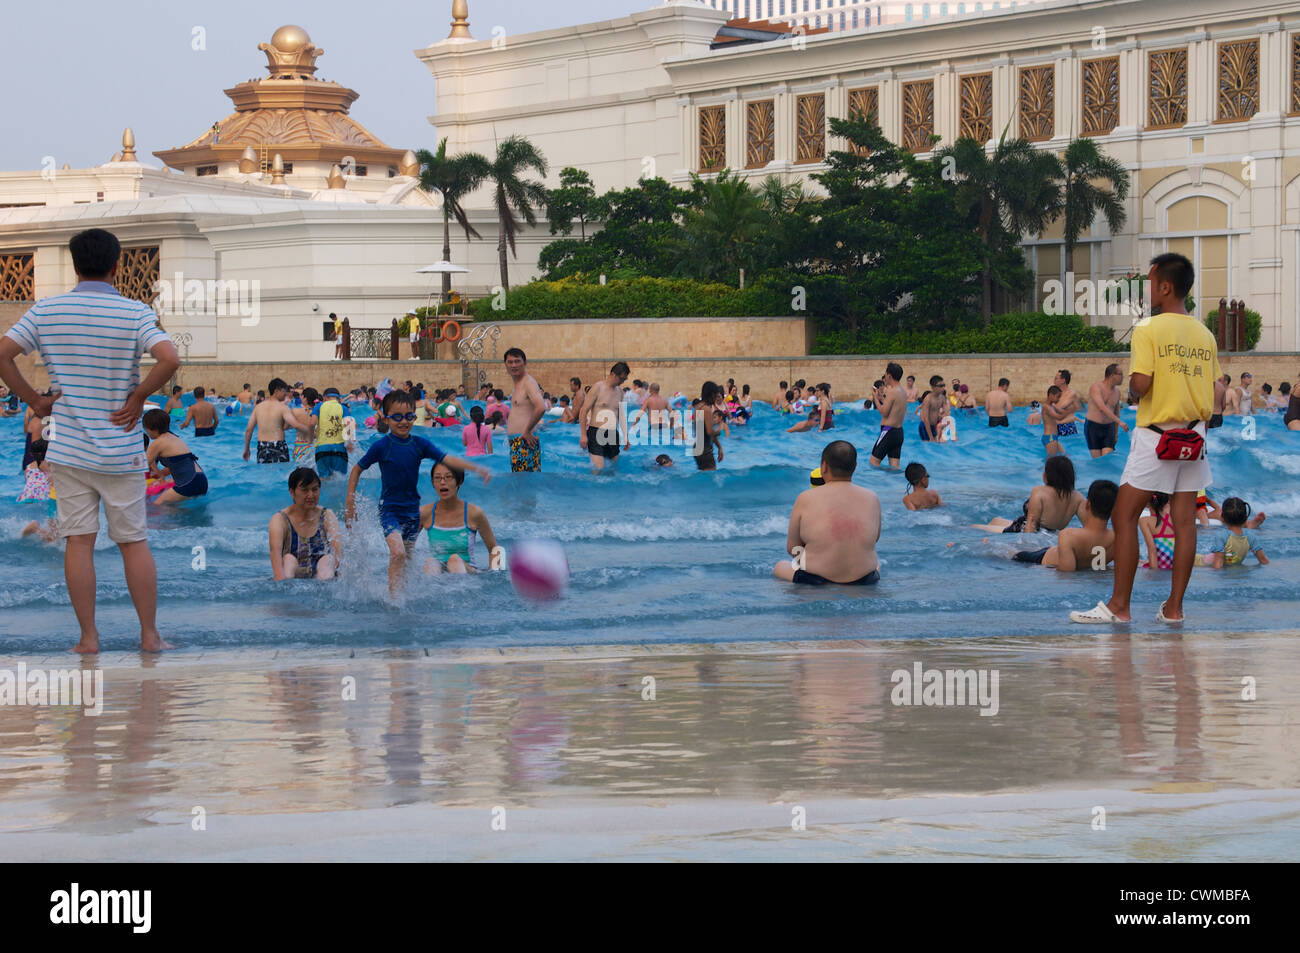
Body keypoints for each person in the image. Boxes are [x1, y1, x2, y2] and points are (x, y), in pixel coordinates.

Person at [0, 227, 179, 652]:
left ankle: (88, 638)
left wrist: (35, 402)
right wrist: (138, 397)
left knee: (79, 542)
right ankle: (150, 637)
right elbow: (169, 358)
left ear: (75, 266)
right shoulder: (134, 312)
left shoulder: (45, 311)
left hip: (70, 450)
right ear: (116, 266)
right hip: (120, 448)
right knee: (133, 542)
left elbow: (2, 353)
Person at [1071, 253, 1219, 625]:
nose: (1146, 290)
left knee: (1124, 515)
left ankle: (1120, 606)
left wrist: (1137, 391)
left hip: (1157, 436)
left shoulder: (1148, 329)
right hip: (1195, 437)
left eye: (1149, 283)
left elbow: (1141, 383)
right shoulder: (1205, 333)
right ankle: (1174, 609)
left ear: (1165, 287)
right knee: (1184, 522)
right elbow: (1214, 390)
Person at [345, 390, 489, 594]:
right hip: (390, 510)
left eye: (409, 416)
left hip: (413, 511)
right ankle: (395, 601)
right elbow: (357, 469)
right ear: (386, 418)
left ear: (414, 415)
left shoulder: (419, 444)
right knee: (398, 553)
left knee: (407, 558)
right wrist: (350, 503)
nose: (404, 422)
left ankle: (405, 593)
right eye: (397, 417)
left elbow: (447, 460)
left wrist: (475, 468)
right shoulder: (382, 446)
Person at [774, 440, 881, 586]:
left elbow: (792, 547)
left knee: (780, 566)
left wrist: (811, 561)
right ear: (855, 467)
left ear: (824, 466)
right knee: (877, 565)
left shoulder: (805, 498)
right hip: (865, 579)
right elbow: (874, 539)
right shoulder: (872, 497)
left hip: (818, 579)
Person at [1012, 480, 1118, 571]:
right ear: (1114, 509)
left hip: (1039, 560)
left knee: (1009, 555)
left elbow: (1066, 574)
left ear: (1088, 504)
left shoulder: (1069, 536)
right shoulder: (1118, 539)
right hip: (1051, 553)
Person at [420, 460, 501, 575]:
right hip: (437, 576)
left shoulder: (474, 513)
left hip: (468, 574)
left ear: (460, 481)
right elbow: (407, 548)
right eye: (437, 478)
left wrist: (495, 575)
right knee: (431, 562)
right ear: (433, 483)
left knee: (454, 560)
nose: (442, 482)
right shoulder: (424, 513)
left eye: (448, 477)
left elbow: (494, 549)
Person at [973, 455, 1084, 534]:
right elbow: (1089, 524)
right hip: (1050, 533)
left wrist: (1026, 548)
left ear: (1049, 474)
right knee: (995, 520)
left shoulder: (1039, 491)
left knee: (974, 527)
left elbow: (1031, 524)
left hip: (1024, 530)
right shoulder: (1077, 497)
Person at [270, 467, 342, 580]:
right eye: (305, 490)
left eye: (315, 489)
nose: (311, 495)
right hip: (293, 572)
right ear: (292, 492)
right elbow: (276, 559)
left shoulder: (327, 515)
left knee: (328, 559)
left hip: (323, 572)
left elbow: (338, 556)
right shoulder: (280, 520)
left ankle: (323, 587)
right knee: (288, 559)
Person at [142, 408, 208, 504]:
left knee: (158, 504)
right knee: (174, 506)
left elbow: (141, 468)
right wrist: (159, 474)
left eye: (145, 428)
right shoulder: (174, 437)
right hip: (200, 479)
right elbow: (174, 467)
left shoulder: (158, 443)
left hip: (189, 482)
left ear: (152, 428)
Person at [243, 377, 310, 463]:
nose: (285, 393)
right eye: (283, 391)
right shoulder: (282, 407)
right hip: (278, 446)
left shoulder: (258, 408)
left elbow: (249, 430)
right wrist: (310, 430)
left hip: (262, 447)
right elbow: (295, 425)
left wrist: (246, 449)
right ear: (276, 391)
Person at [581, 362, 632, 469]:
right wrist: (583, 435)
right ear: (613, 374)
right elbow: (583, 411)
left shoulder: (621, 392)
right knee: (599, 468)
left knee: (613, 468)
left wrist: (625, 436)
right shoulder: (597, 388)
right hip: (596, 432)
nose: (622, 382)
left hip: (613, 433)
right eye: (622, 378)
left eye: (624, 379)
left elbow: (621, 416)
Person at [503, 348, 545, 472]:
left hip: (524, 441)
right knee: (522, 484)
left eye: (517, 361)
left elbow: (541, 407)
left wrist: (526, 431)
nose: (514, 365)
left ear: (525, 363)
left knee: (524, 485)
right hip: (519, 441)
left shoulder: (528, 383)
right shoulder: (519, 384)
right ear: (505, 364)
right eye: (510, 362)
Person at [1198, 497, 1268, 568]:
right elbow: (1264, 560)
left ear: (1222, 517)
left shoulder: (1222, 536)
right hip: (1234, 567)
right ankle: (1249, 524)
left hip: (1206, 563)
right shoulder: (1250, 537)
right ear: (1245, 517)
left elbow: (1218, 563)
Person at [17, 437, 59, 542]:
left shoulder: (30, 466)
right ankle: (35, 529)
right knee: (54, 538)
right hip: (57, 501)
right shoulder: (47, 465)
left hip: (54, 500)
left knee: (56, 536)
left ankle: (36, 530)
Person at [1084, 363, 1130, 457]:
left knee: (1107, 458)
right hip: (1093, 428)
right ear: (1112, 375)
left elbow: (1117, 413)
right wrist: (1120, 422)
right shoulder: (1096, 387)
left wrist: (1116, 433)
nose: (1123, 377)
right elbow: (1102, 407)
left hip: (1109, 428)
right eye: (1120, 374)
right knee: (1098, 461)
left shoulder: (1117, 392)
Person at [870, 363, 907, 468]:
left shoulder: (891, 391)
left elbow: (884, 412)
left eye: (885, 373)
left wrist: (875, 398)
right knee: (895, 467)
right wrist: (881, 398)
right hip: (898, 433)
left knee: (873, 463)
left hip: (888, 431)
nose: (884, 376)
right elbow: (894, 408)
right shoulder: (903, 391)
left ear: (889, 375)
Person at [311, 387, 352, 479]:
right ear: (338, 398)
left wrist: (311, 436)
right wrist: (349, 443)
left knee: (324, 480)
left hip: (322, 449)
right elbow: (349, 425)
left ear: (324, 398)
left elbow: (312, 423)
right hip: (339, 449)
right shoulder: (344, 408)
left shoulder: (319, 406)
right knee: (340, 480)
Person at [1139, 492, 1175, 570]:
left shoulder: (1145, 521)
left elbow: (1152, 550)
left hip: (1159, 567)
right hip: (1175, 567)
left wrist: (1153, 574)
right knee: (1141, 562)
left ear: (1147, 502)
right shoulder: (1174, 518)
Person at [694, 382, 725, 470]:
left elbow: (704, 431)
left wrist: (719, 447)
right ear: (711, 394)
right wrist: (719, 432)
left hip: (697, 447)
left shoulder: (698, 407)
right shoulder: (706, 410)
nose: (715, 398)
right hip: (705, 450)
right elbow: (710, 431)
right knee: (710, 479)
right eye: (715, 395)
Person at [1040, 385, 1076, 457]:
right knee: (1052, 460)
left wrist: (1071, 408)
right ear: (1050, 395)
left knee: (1065, 456)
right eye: (1058, 396)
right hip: (1050, 437)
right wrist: (1069, 411)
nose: (1059, 399)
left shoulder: (1052, 406)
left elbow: (1062, 411)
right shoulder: (1046, 407)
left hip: (1053, 437)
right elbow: (1058, 417)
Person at [1053, 369, 1081, 438]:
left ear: (1063, 380)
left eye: (1056, 378)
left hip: (1067, 427)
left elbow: (1059, 407)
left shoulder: (1071, 394)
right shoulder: (1054, 394)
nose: (1054, 381)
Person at [918, 376, 947, 442]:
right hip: (925, 427)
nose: (943, 388)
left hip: (933, 426)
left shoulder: (942, 398)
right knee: (929, 445)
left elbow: (946, 412)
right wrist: (930, 436)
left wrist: (942, 421)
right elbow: (926, 419)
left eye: (944, 385)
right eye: (940, 386)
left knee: (938, 443)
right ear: (933, 387)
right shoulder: (928, 399)